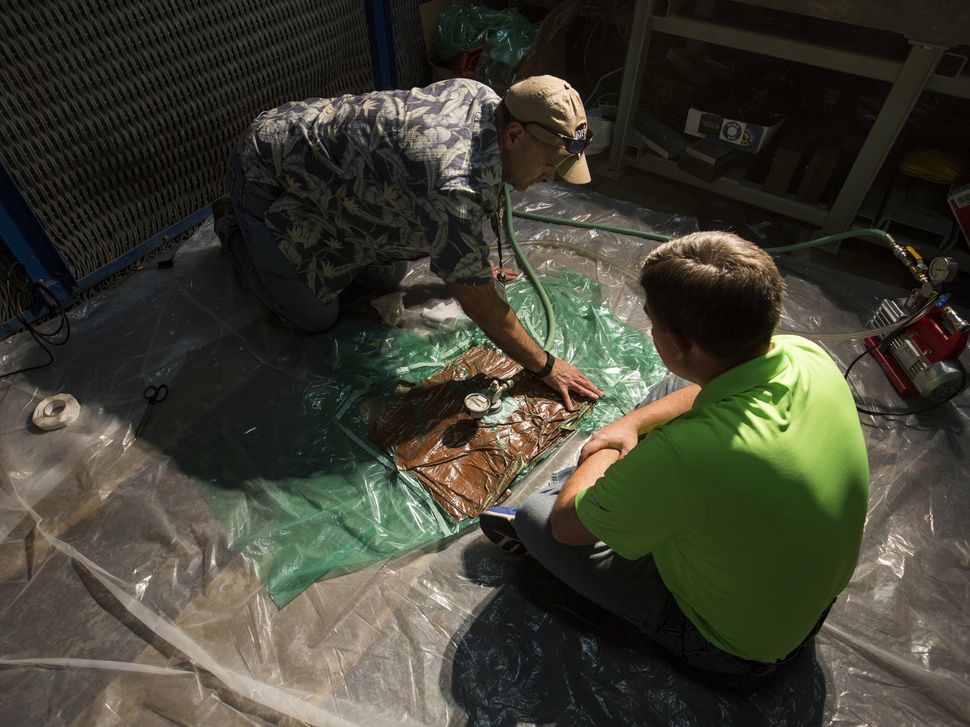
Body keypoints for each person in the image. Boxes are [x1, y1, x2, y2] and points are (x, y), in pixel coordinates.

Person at [480, 231, 870, 675]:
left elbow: (568, 528)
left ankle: (606, 500)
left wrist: (605, 446)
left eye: (651, 322)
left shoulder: (689, 454)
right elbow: (699, 397)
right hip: (800, 599)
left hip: (736, 647)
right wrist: (628, 424)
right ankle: (623, 497)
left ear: (677, 342)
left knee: (539, 517)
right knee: (674, 392)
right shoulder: (805, 354)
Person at [212, 75, 603, 410]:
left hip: (337, 178)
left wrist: (469, 260)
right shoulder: (454, 181)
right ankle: (234, 224)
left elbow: (459, 200)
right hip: (270, 170)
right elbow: (481, 304)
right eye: (549, 165)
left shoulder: (485, 99)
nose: (551, 178)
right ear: (514, 135)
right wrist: (546, 366)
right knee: (313, 317)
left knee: (388, 278)